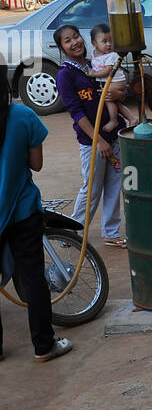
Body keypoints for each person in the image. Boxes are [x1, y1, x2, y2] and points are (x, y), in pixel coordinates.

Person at [0, 61, 73, 362]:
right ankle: (44, 346)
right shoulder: (23, 116)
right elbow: (37, 164)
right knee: (33, 278)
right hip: (22, 212)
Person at [54, 25, 125, 248]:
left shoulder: (95, 64)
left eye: (76, 36)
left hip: (114, 137)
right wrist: (98, 140)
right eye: (67, 40)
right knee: (92, 189)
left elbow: (118, 92)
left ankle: (111, 232)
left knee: (114, 185)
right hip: (93, 143)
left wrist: (119, 92)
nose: (74, 42)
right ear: (61, 47)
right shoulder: (66, 74)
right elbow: (76, 113)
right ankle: (72, 233)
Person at [89, 24, 136, 131]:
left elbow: (107, 71)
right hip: (109, 82)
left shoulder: (112, 55)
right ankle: (132, 118)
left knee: (107, 99)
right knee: (116, 102)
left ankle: (113, 120)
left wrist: (93, 74)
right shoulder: (94, 53)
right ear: (94, 43)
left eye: (111, 40)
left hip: (116, 81)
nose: (109, 44)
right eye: (104, 41)